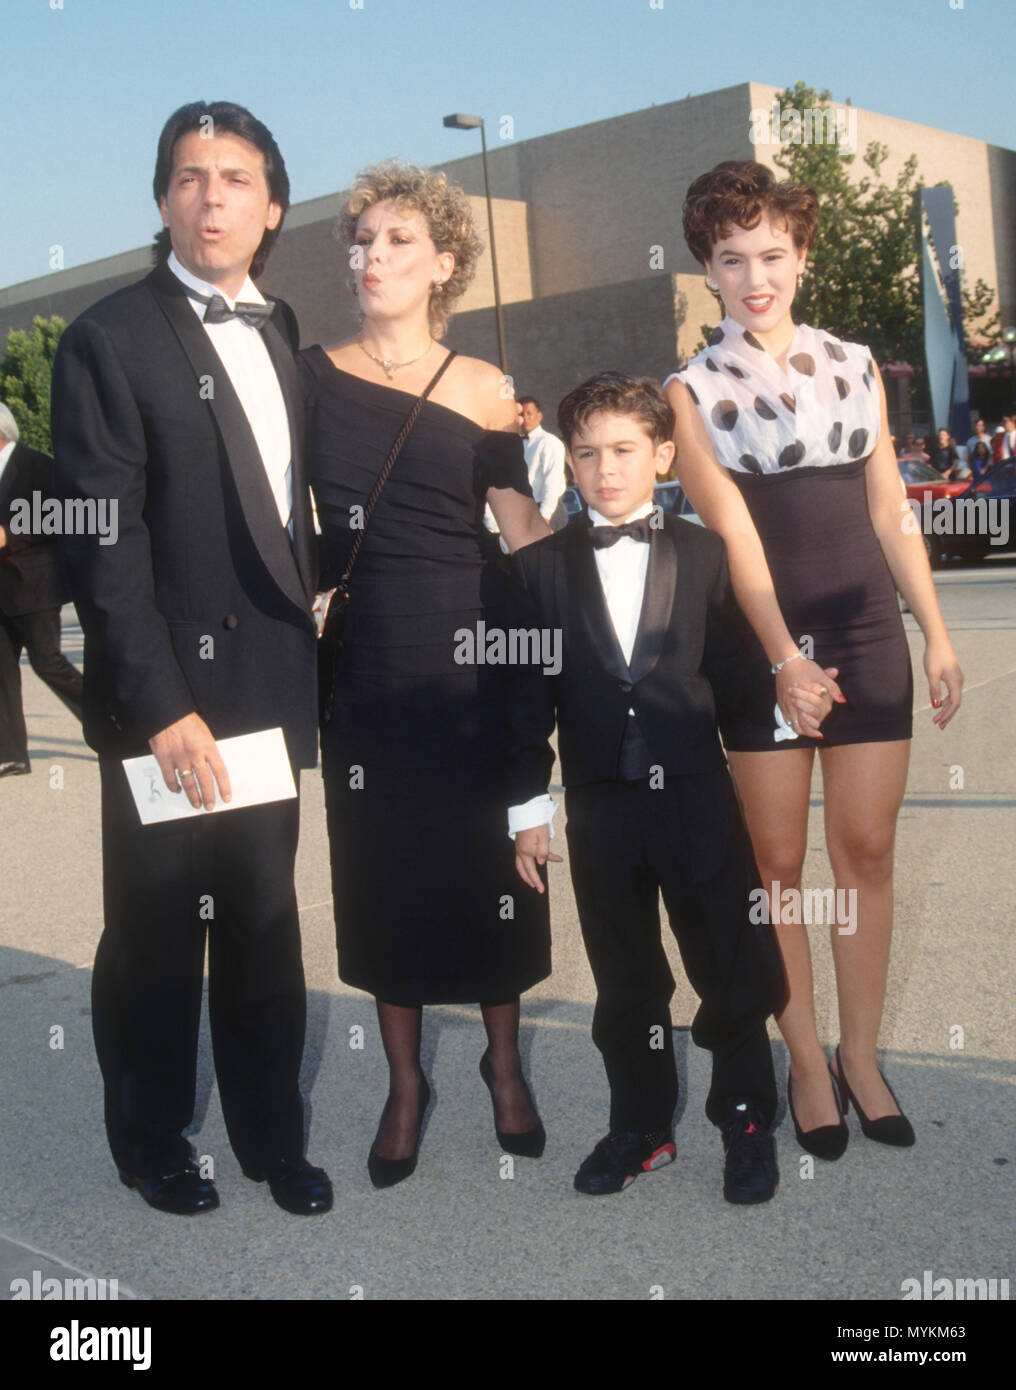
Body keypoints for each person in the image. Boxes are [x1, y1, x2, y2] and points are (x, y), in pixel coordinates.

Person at [50, 101, 331, 1216]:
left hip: (266, 686)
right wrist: (162, 706)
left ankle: (273, 1138)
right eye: (188, 177)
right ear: (163, 199)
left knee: (264, 926)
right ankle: (153, 1138)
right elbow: (101, 544)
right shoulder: (107, 337)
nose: (210, 196)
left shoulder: (284, 328)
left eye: (233, 177)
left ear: (271, 206)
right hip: (163, 703)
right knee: (161, 935)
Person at [665, 161, 963, 1160]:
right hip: (759, 649)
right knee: (778, 867)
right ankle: (801, 1059)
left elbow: (887, 510)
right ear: (706, 269)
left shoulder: (856, 362)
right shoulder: (691, 390)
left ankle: (862, 1053)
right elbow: (738, 548)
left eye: (772, 255)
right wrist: (785, 659)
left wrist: (935, 630)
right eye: (730, 258)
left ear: (800, 255)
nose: (755, 276)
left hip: (867, 635)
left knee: (865, 854)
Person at [300, 163, 551, 1187]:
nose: (371, 256)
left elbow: (519, 529)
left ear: (442, 263)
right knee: (380, 870)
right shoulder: (307, 373)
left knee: (491, 865)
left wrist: (611, 597)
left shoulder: (486, 387)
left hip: (475, 649)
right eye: (360, 239)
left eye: (397, 240)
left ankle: (502, 1062)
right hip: (366, 659)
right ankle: (404, 1083)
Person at [507, 372, 786, 1203]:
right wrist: (528, 809)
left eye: (625, 450)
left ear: (663, 454)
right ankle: (641, 1122)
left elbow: (734, 678)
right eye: (586, 453)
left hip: (698, 796)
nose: (605, 469)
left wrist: (785, 710)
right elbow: (523, 702)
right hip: (600, 808)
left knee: (728, 962)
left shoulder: (705, 555)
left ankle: (743, 1117)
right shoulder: (539, 570)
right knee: (626, 977)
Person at [0, 403, 83, 776]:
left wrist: (10, 534)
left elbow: (64, 516)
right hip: (1, 592)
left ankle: (111, 724)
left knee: (47, 663)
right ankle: (12, 754)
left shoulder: (36, 465)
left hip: (35, 587)